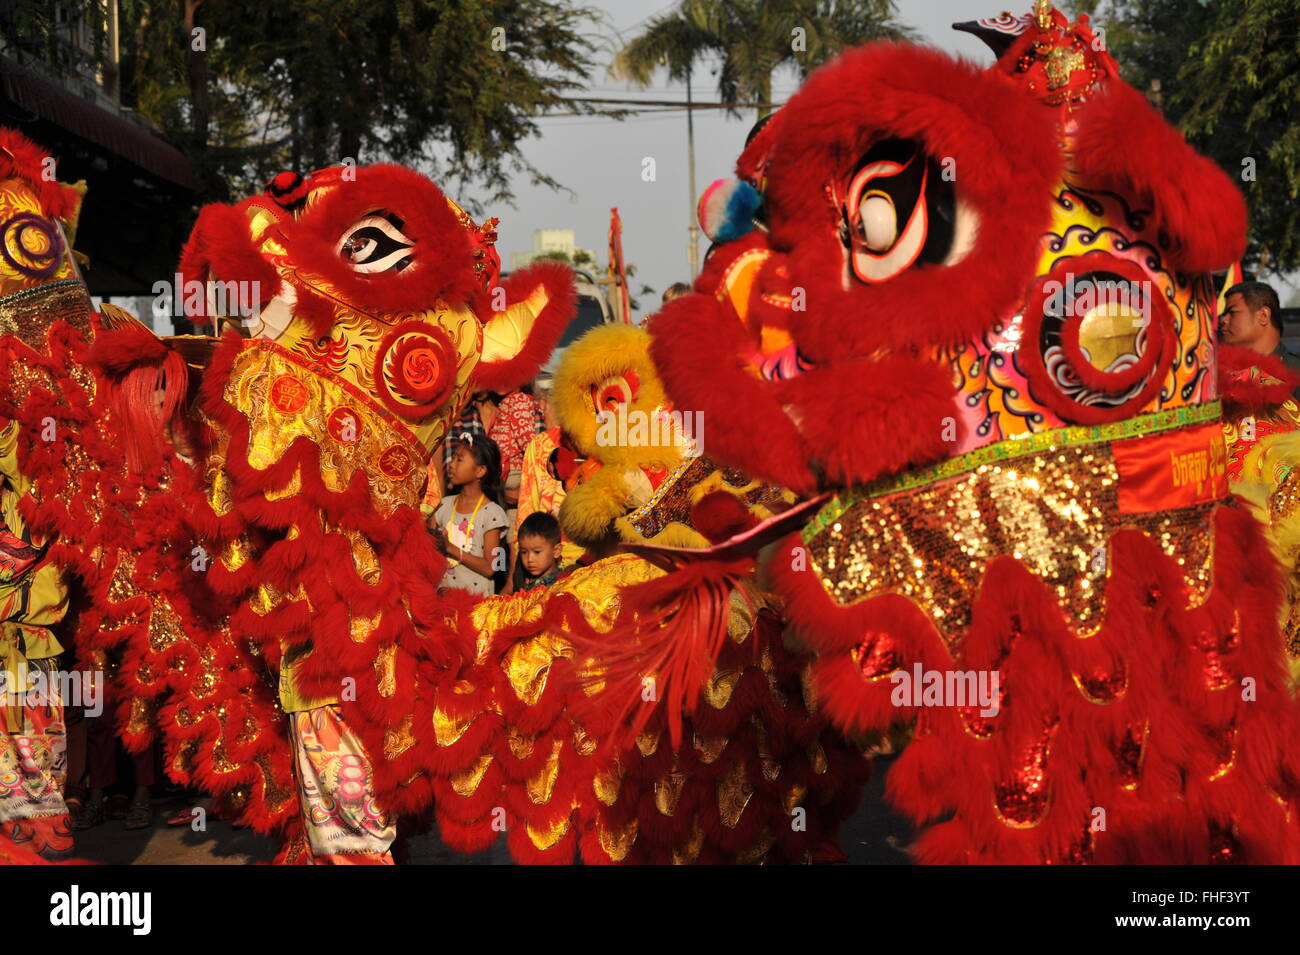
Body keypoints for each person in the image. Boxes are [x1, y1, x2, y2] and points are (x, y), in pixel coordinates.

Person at [431, 436, 509, 596]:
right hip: (444, 603)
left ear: (480, 470)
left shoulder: (493, 514)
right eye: (452, 458)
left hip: (475, 607)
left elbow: (491, 568)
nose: (451, 465)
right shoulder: (443, 506)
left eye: (459, 460)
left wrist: (450, 548)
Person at [1219, 280, 1300, 388]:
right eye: (1224, 314)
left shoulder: (1295, 371)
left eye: (1232, 312)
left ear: (1263, 316)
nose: (1223, 320)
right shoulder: (1221, 373)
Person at [512, 511, 565, 591]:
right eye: (524, 552)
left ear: (556, 551)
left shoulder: (561, 585)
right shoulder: (522, 580)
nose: (530, 559)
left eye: (537, 552)